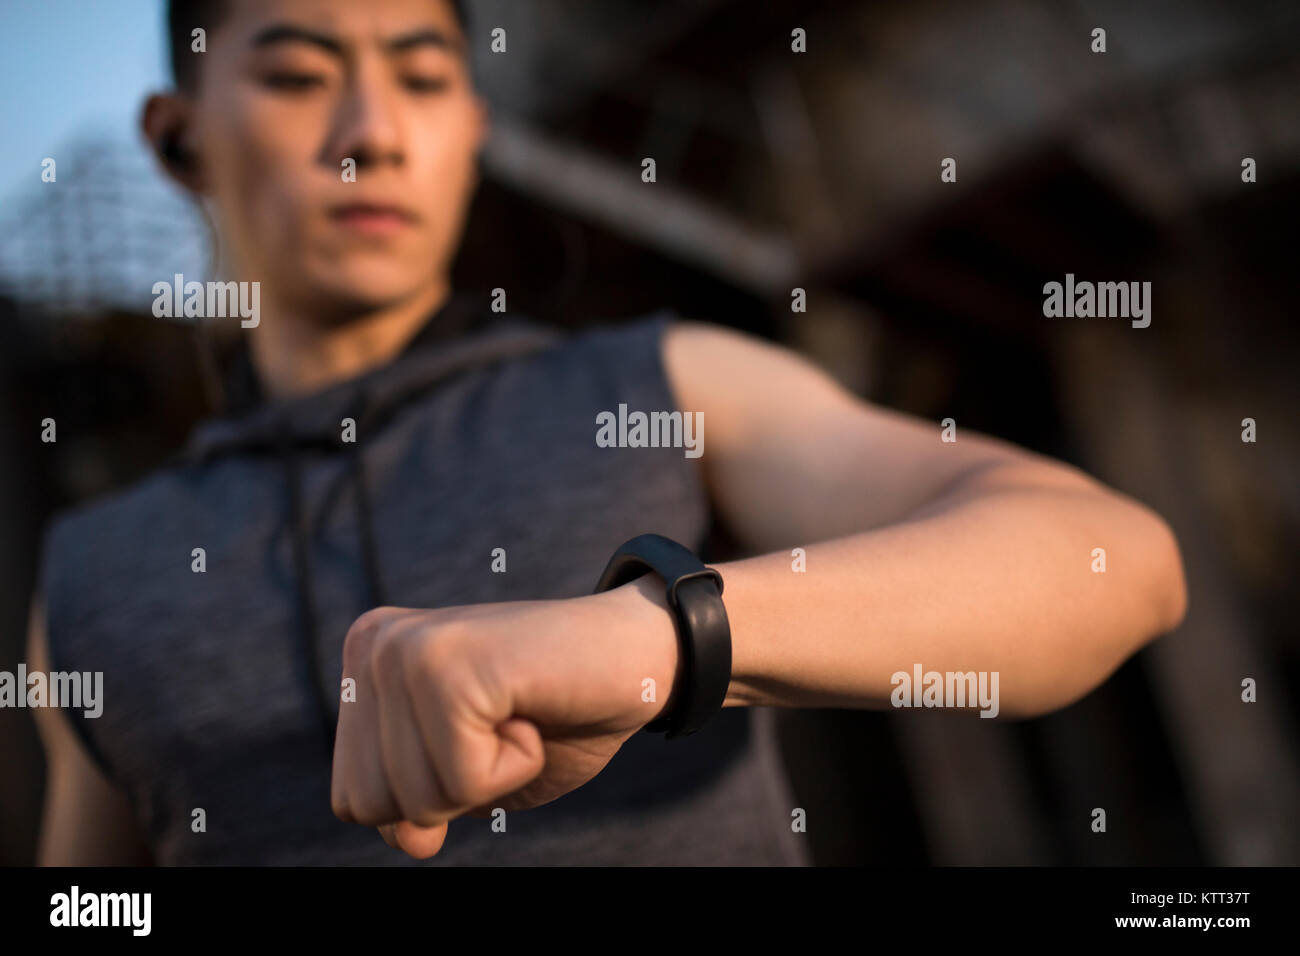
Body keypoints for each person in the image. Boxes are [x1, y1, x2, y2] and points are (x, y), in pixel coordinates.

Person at [28, 0, 1188, 865]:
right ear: (179, 139)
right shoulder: (87, 575)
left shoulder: (669, 376)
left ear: (472, 128)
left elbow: (1114, 558)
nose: (372, 131)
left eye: (424, 80)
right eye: (295, 74)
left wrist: (661, 638)